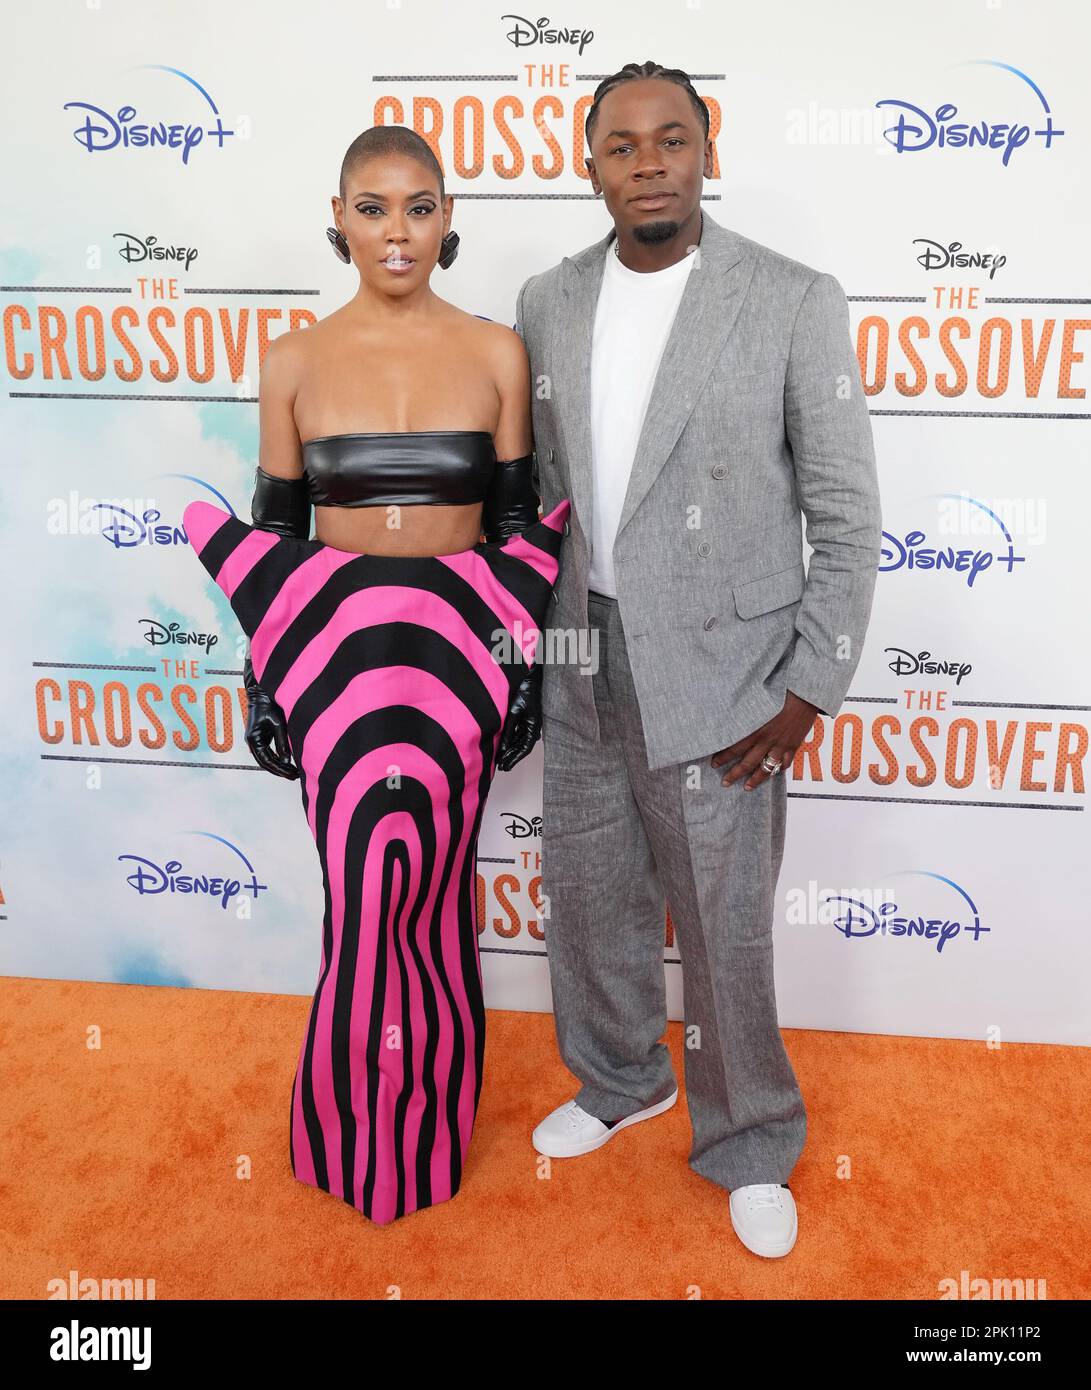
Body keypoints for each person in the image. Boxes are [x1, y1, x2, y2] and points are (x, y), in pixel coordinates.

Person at [516, 62, 881, 1258]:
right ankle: (622, 1077)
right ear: (590, 167)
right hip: (582, 650)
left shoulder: (787, 298)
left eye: (670, 138)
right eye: (620, 145)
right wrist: (539, 654)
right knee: (590, 895)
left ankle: (748, 1137)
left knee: (723, 927)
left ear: (705, 149)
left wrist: (806, 686)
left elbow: (843, 509)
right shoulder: (546, 300)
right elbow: (547, 497)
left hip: (729, 669)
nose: (647, 162)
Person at [183, 125, 569, 1226]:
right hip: (333, 671)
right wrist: (265, 676)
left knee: (435, 901)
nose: (394, 232)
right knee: (359, 903)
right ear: (338, 220)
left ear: (447, 222)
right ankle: (341, 1130)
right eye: (372, 208)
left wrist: (521, 668)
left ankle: (431, 1135)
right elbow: (275, 527)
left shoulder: (498, 353)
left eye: (416, 208)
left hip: (457, 665)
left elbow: (509, 524)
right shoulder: (293, 362)